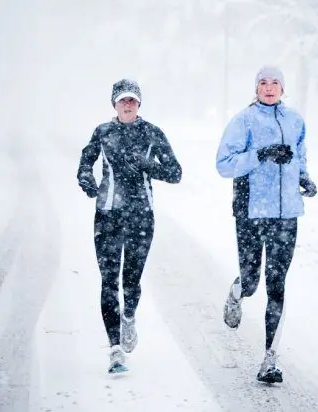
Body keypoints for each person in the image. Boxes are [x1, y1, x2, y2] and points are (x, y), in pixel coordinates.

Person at [215, 66, 317, 383]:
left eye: (275, 83)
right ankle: (236, 294)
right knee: (251, 281)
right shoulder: (243, 121)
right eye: (263, 83)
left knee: (277, 285)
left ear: (283, 89)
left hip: (286, 215)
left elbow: (298, 157)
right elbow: (223, 164)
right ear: (256, 88)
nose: (269, 88)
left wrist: (305, 179)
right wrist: (260, 154)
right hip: (250, 211)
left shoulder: (295, 121)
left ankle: (270, 359)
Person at [77, 79, 182, 373]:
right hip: (108, 216)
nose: (127, 105)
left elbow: (176, 173)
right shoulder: (103, 132)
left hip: (141, 217)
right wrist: (87, 180)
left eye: (132, 101)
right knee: (109, 282)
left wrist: (148, 165)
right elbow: (85, 162)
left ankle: (129, 317)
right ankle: (114, 350)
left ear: (139, 105)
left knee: (131, 281)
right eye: (122, 100)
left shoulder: (152, 133)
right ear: (114, 104)